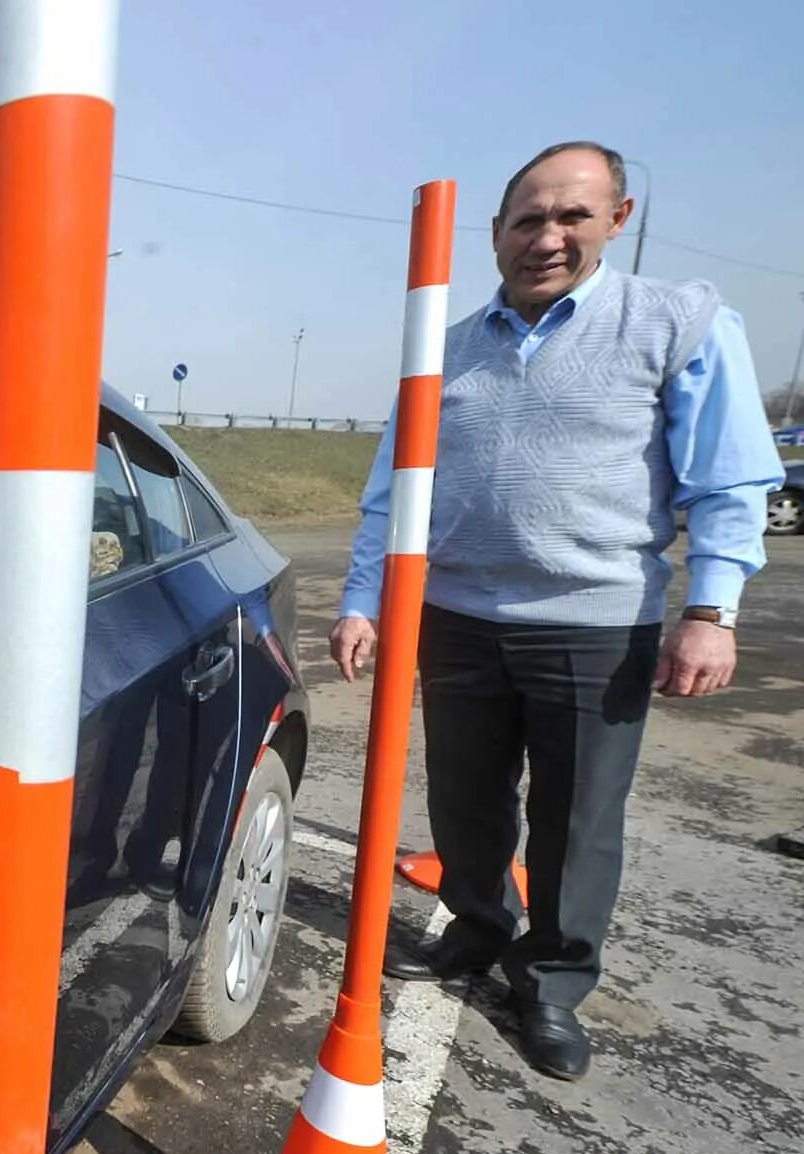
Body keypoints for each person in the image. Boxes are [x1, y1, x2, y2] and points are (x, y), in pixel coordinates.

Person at [331, 141, 785, 1081]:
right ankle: (475, 928)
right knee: (465, 798)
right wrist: (366, 597)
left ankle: (551, 984)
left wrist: (713, 609)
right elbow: (392, 491)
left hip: (595, 622)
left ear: (614, 221)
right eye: (528, 219)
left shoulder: (675, 321)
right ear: (495, 233)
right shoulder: (447, 347)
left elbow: (729, 475)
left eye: (571, 216)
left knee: (577, 820)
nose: (547, 236)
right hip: (456, 616)